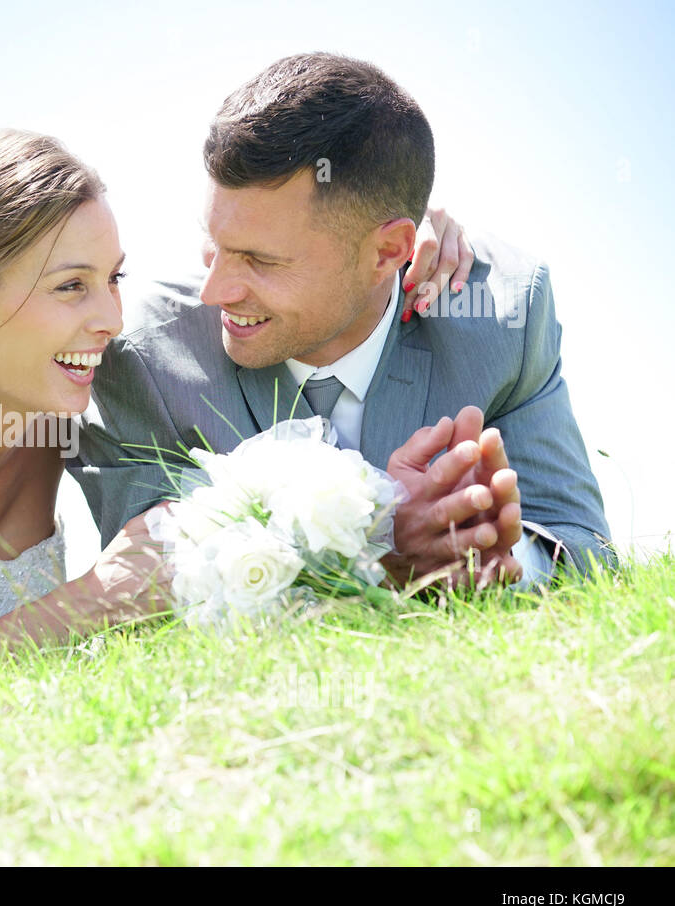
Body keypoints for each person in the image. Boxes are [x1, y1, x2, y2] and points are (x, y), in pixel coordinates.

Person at [0, 128, 475, 679]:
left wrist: (394, 233)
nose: (111, 320)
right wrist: (93, 599)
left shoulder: (56, 413)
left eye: (112, 279)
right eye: (71, 286)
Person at [72, 53, 613, 590]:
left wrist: (485, 554)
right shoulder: (143, 360)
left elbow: (589, 553)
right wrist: (381, 553)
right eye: (214, 246)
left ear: (389, 251)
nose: (216, 292)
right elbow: (141, 600)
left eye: (260, 260)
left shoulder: (504, 318)